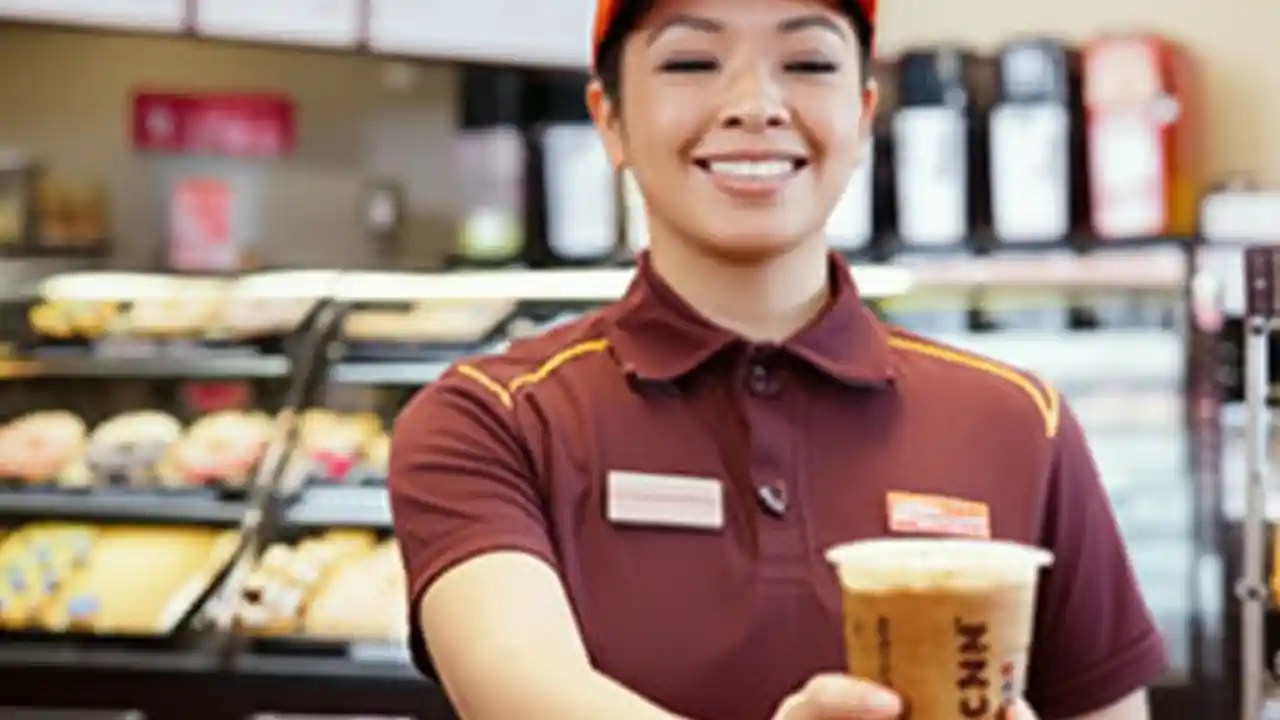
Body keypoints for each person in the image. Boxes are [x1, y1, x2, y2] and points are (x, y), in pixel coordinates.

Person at [388, 0, 1168, 718]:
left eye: (808, 63)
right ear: (610, 121)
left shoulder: (1015, 421)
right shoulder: (493, 418)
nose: (755, 105)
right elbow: (519, 688)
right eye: (691, 63)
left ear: (863, 116)